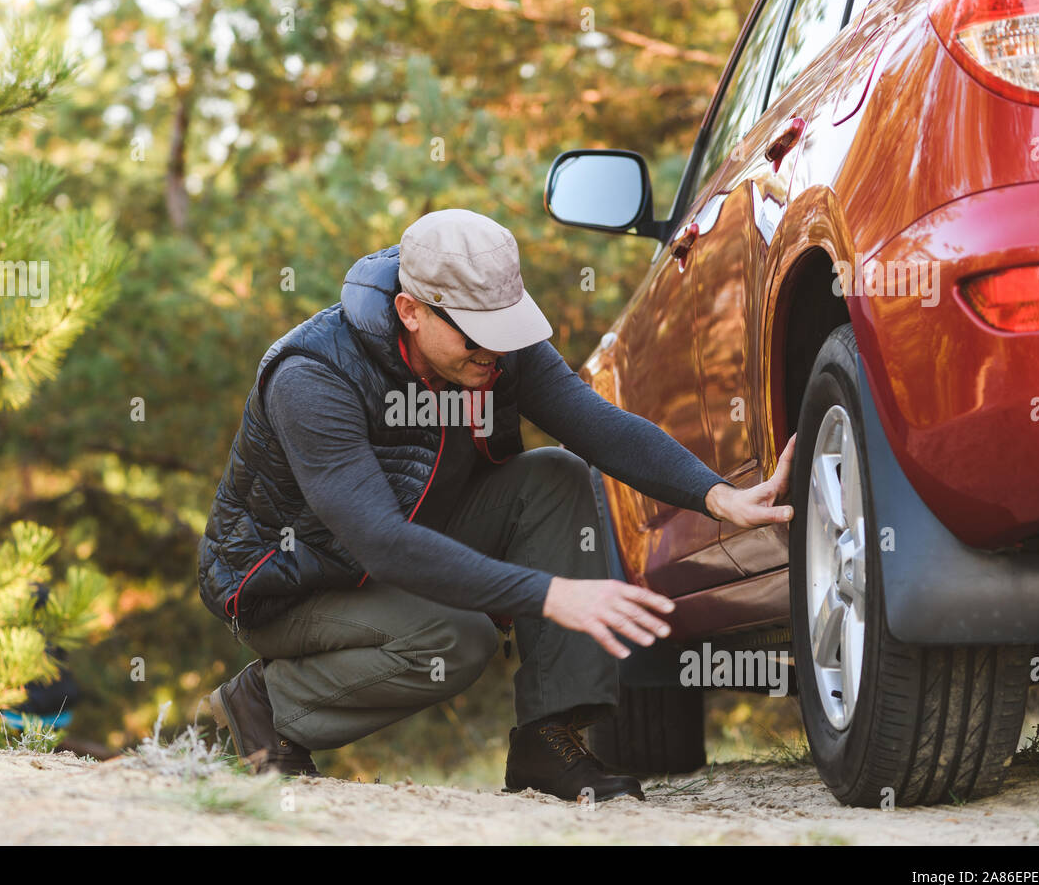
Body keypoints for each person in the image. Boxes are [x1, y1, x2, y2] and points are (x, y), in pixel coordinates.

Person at [198, 208, 794, 802]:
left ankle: (548, 738)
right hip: (293, 581)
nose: (495, 352)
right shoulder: (314, 374)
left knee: (555, 476)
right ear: (411, 312)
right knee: (456, 639)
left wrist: (719, 496)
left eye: (504, 328)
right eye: (475, 332)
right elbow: (378, 541)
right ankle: (262, 710)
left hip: (411, 539)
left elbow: (593, 422)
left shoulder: (494, 347)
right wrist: (550, 594)